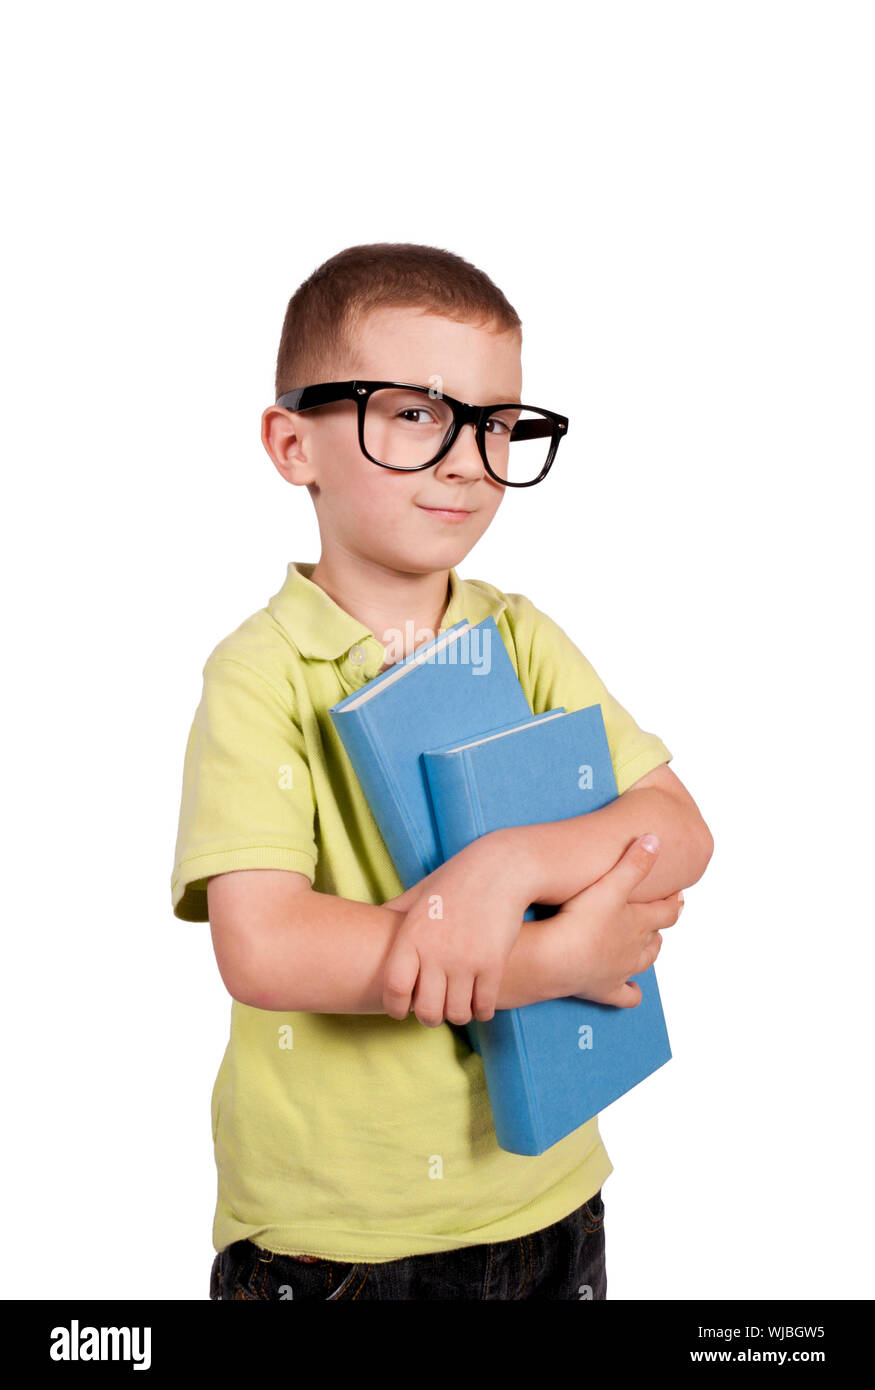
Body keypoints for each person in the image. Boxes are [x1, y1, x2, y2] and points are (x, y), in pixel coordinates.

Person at [171, 242, 714, 1301]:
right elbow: (266, 944)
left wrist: (507, 867)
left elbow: (677, 827)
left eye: (498, 423)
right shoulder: (260, 674)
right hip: (338, 1241)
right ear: (293, 444)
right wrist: (543, 960)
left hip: (548, 1193)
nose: (469, 458)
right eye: (415, 413)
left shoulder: (519, 636)